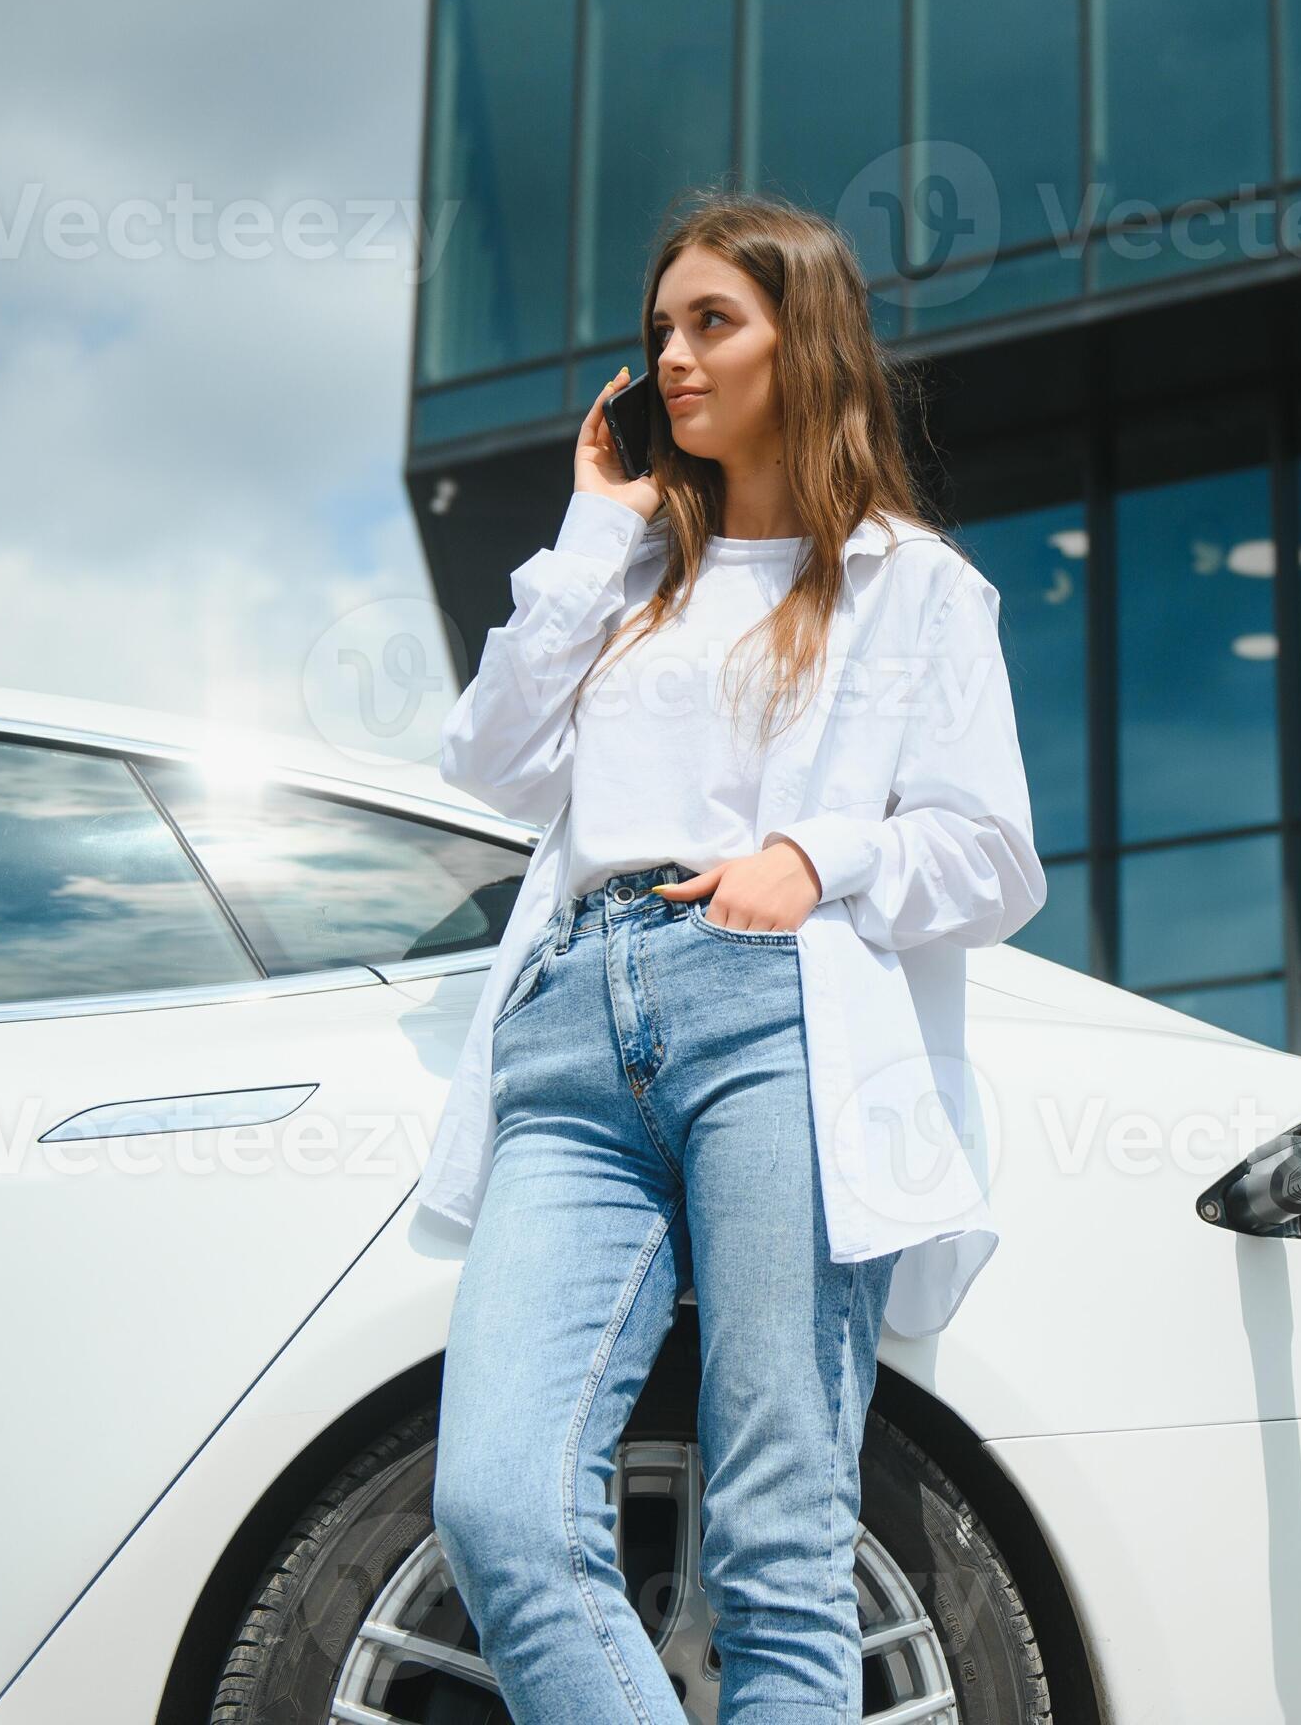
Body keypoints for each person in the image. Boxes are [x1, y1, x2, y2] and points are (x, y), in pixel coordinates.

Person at [417, 187, 1046, 1723]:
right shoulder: (623, 578)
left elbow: (991, 855)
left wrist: (811, 859)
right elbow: (486, 765)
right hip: (572, 1030)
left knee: (777, 1541)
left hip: (776, 1019)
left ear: (802, 340)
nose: (671, 362)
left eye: (712, 323)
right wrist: (590, 526)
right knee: (498, 1508)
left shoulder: (914, 586)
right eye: (660, 331)